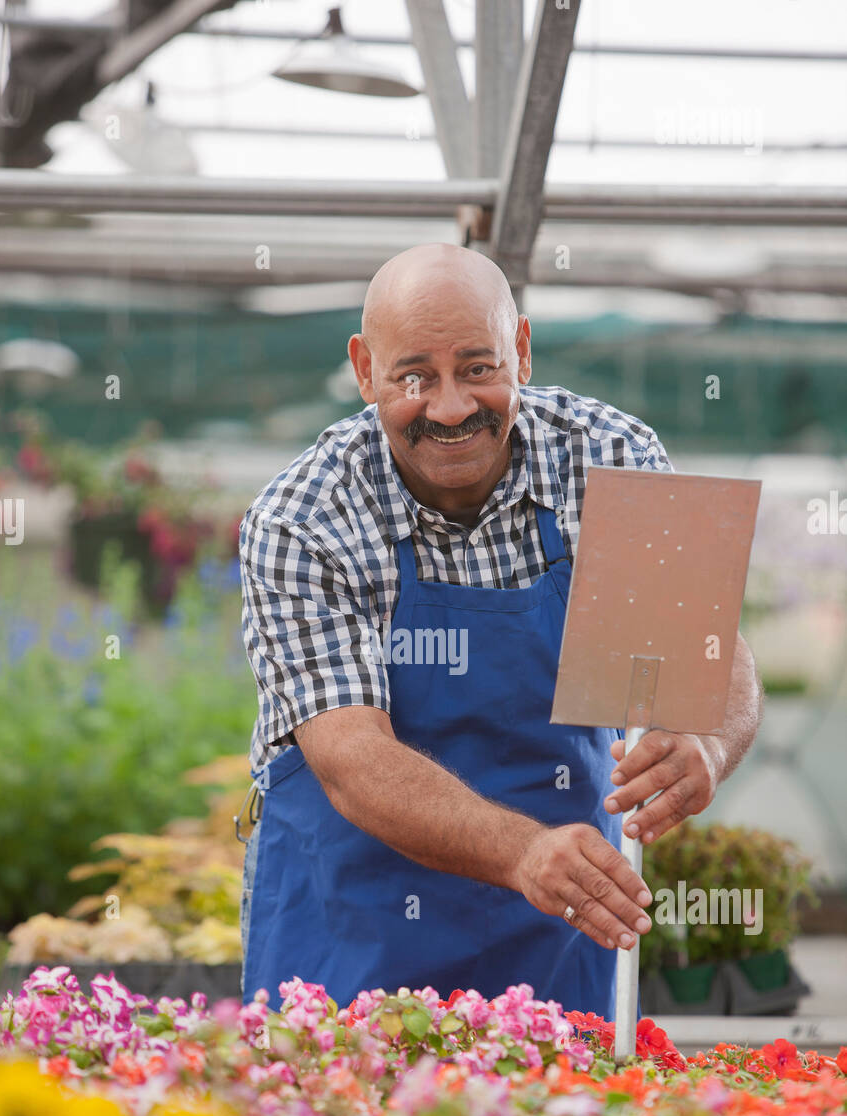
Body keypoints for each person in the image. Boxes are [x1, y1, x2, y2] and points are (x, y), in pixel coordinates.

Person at [238, 243, 762, 1014]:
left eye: (478, 368)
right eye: (414, 375)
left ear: (520, 348)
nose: (449, 407)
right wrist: (523, 852)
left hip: (555, 915)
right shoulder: (305, 516)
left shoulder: (611, 458)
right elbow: (351, 759)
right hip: (352, 919)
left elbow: (709, 648)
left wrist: (704, 743)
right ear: (363, 369)